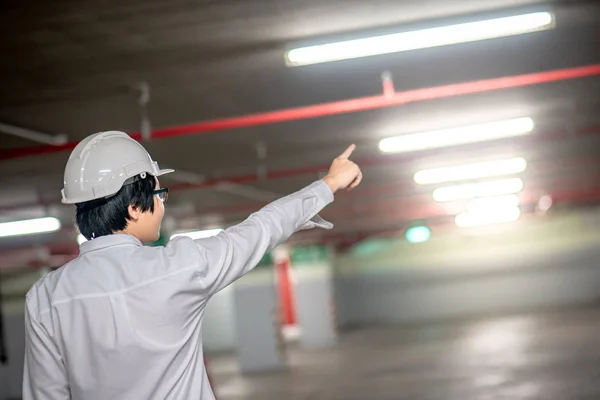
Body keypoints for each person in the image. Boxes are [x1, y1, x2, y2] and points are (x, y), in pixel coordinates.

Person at [22, 131, 362, 400]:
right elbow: (261, 228)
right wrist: (329, 183)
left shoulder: (44, 298)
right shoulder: (179, 267)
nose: (162, 205)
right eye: (159, 195)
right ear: (136, 207)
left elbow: (46, 394)